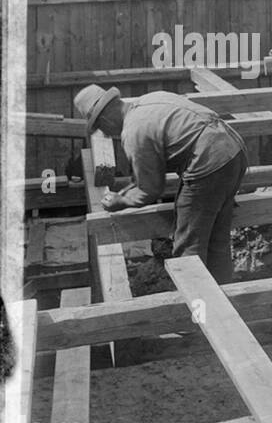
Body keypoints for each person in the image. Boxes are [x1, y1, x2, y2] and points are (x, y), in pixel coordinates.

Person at [74, 87, 248, 283]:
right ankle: (222, 299)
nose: (105, 134)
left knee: (189, 247)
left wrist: (120, 201)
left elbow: (150, 190)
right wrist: (128, 190)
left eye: (100, 128)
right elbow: (147, 175)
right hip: (233, 152)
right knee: (218, 239)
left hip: (208, 163)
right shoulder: (149, 100)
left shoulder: (133, 132)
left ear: (105, 120)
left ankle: (197, 304)